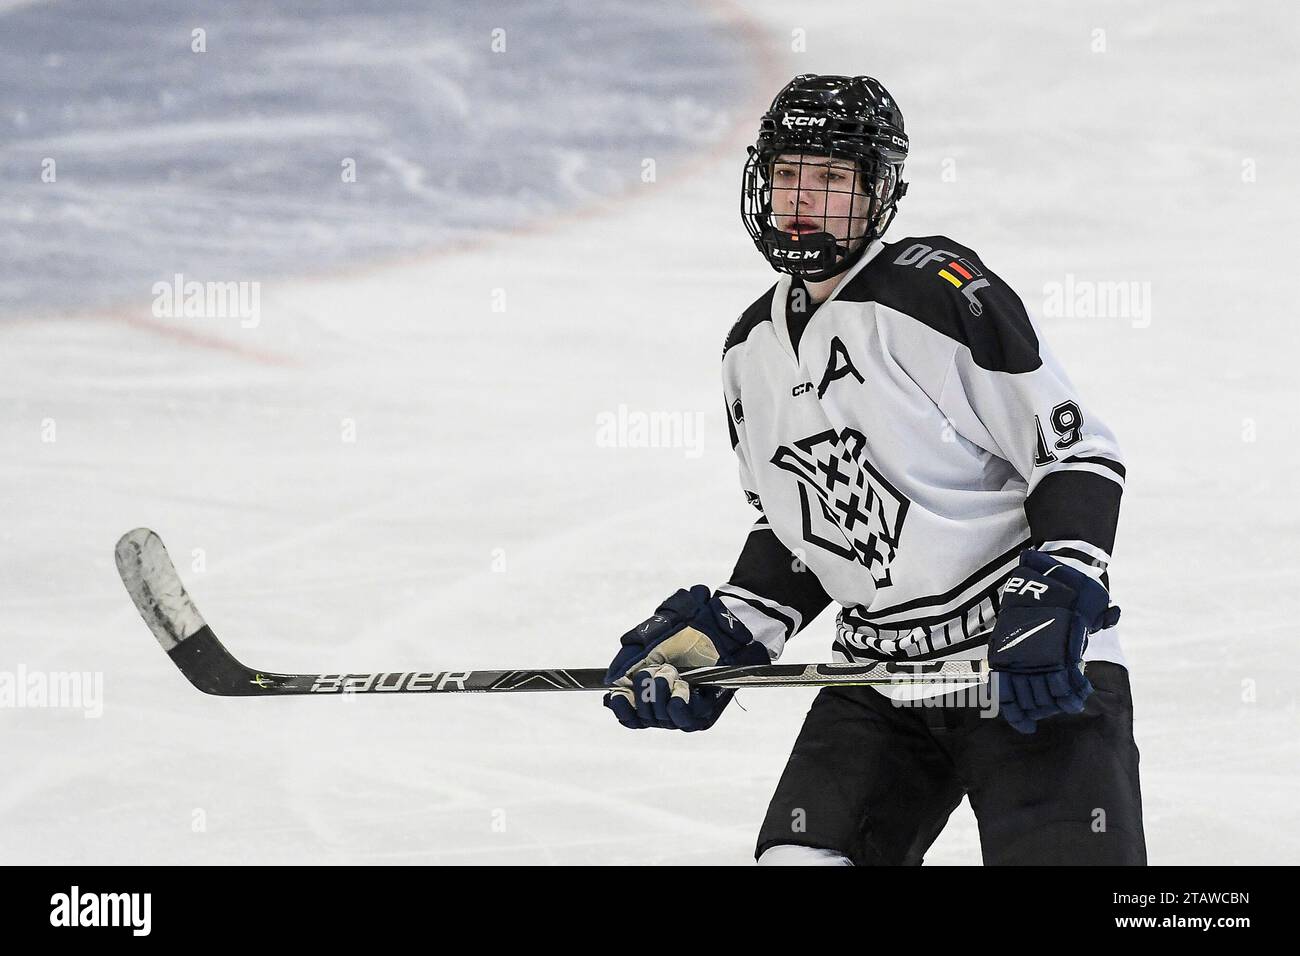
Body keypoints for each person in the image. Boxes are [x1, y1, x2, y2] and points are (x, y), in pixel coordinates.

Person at [603, 74, 1145, 866]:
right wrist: (733, 629)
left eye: (830, 179)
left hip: (1024, 664)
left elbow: (1075, 452)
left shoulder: (934, 292)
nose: (802, 200)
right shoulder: (748, 349)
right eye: (788, 173)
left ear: (877, 192)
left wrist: (1061, 586)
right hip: (877, 678)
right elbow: (806, 525)